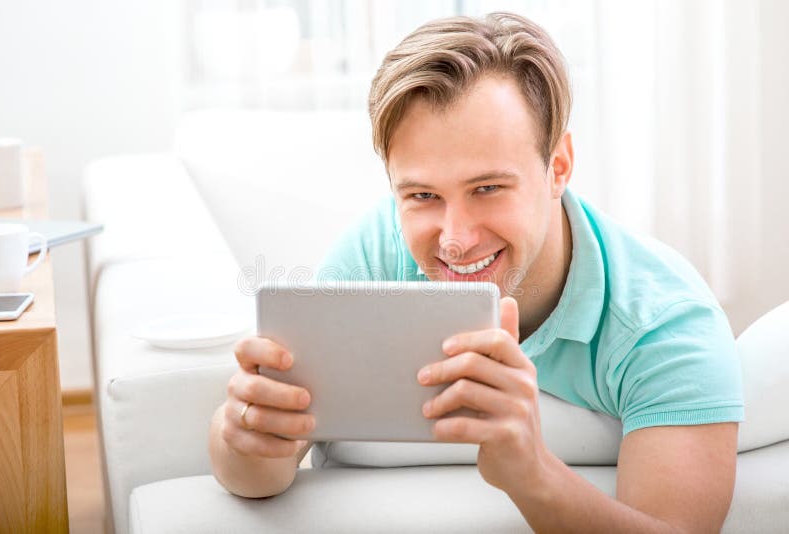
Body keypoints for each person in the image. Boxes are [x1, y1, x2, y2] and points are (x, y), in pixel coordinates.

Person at [209, 12, 743, 532]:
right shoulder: (376, 256)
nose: (455, 239)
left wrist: (531, 473)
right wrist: (245, 438)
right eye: (423, 195)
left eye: (487, 188)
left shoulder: (665, 324)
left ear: (558, 167)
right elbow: (254, 476)